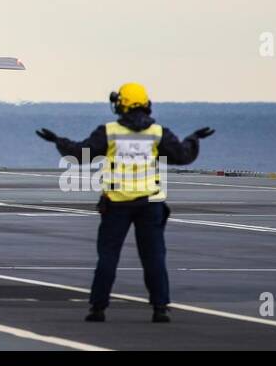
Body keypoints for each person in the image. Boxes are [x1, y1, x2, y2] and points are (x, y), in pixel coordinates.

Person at [36, 82, 214, 323]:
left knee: (108, 257)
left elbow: (81, 153)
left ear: (121, 104)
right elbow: (182, 156)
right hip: (150, 204)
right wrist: (193, 139)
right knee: (154, 258)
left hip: (116, 204)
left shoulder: (109, 132)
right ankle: (160, 308)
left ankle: (98, 308)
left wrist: (58, 141)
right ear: (146, 105)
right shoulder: (157, 132)